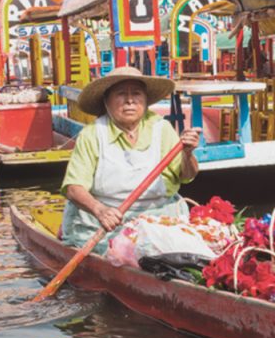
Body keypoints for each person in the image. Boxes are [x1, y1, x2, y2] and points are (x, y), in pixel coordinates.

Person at [60, 66, 201, 252]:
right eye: (121, 94)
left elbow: (186, 175)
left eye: (136, 94)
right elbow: (73, 188)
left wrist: (187, 154)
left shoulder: (162, 128)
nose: (130, 101)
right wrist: (100, 210)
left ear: (145, 101)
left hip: (159, 219)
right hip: (106, 223)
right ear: (106, 102)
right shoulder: (92, 134)